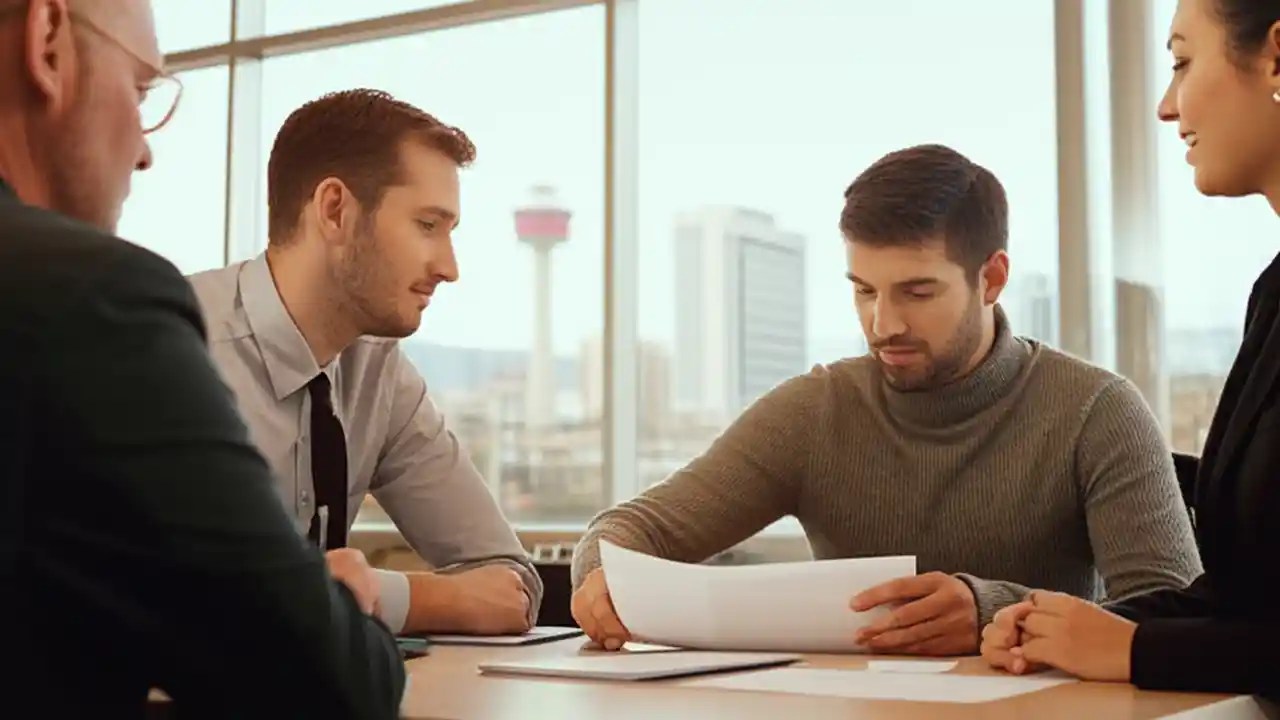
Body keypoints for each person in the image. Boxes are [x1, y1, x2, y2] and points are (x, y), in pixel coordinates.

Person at [571, 144, 1202, 655]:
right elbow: (628, 530)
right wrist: (600, 577)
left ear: (992, 279)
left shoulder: (1097, 410)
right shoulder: (814, 411)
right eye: (864, 291)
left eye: (917, 292)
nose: (883, 324)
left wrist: (994, 611)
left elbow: (1173, 615)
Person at [0, 1, 405, 716]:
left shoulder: (383, 377)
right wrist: (340, 599)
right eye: (140, 90)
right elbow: (322, 682)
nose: (144, 150)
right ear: (48, 40)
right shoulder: (90, 300)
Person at [981, 0, 1280, 699]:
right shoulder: (1272, 296)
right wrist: (1064, 628)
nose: (1166, 107)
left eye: (1181, 61)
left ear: (1276, 55)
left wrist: (1140, 650)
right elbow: (1246, 601)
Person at [187, 88, 543, 637]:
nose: (449, 268)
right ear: (335, 211)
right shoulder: (177, 346)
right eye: (428, 225)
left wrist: (376, 593)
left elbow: (513, 587)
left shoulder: (381, 377)